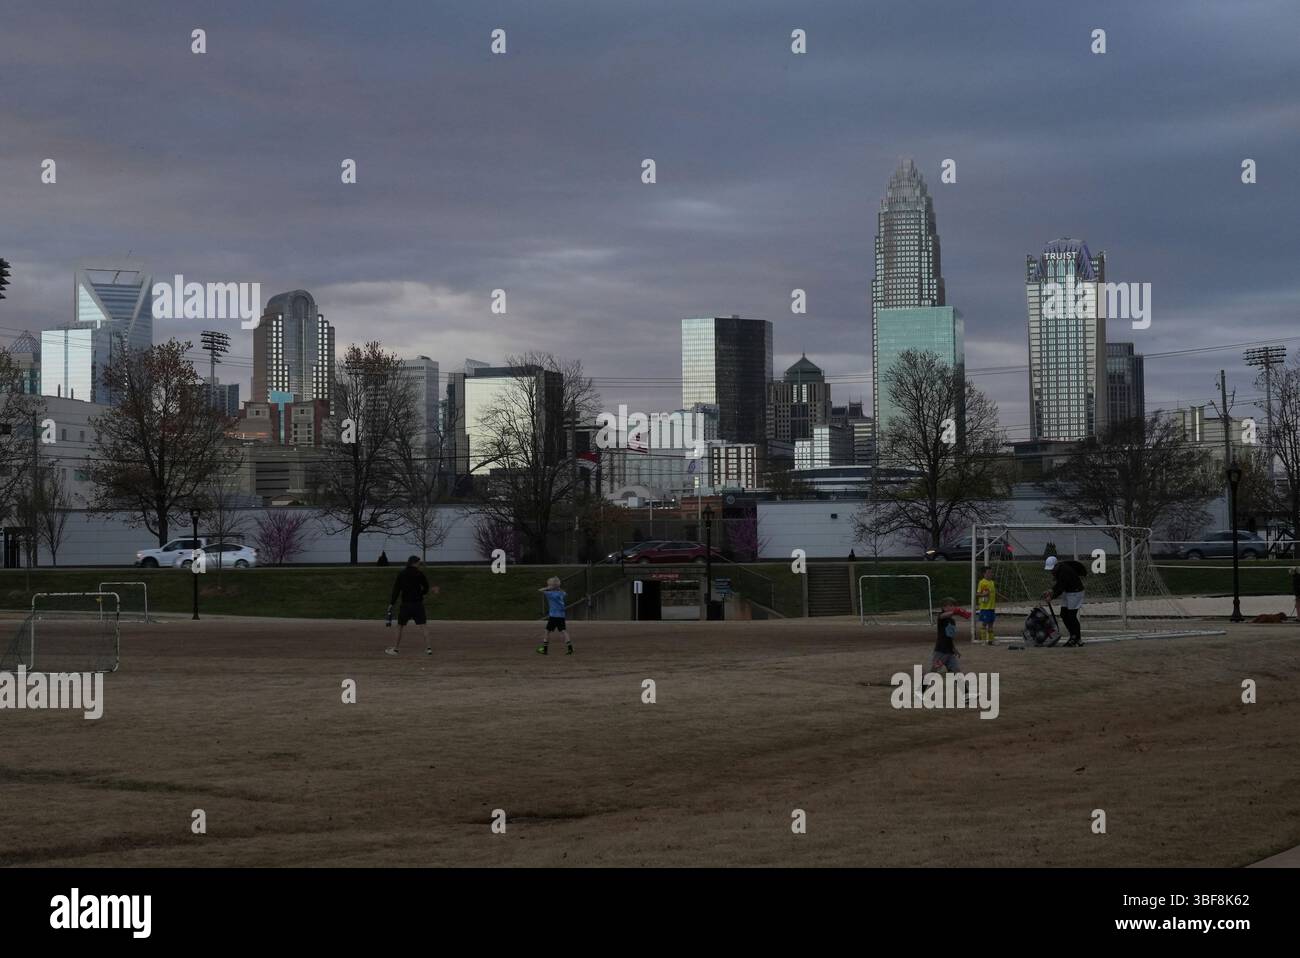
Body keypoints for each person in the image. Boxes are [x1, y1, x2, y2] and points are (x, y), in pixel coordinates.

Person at [385, 556, 439, 656]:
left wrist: (391, 603)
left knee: (400, 626)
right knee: (423, 626)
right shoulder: (419, 574)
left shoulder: (402, 574)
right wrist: (420, 593)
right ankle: (429, 648)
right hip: (418, 604)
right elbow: (426, 588)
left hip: (406, 604)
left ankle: (395, 649)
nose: (419, 564)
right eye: (418, 563)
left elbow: (396, 590)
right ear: (413, 563)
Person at [1043, 555, 1085, 647]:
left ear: (1056, 565)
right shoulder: (1059, 570)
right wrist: (1051, 590)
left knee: (1071, 615)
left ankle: (1076, 638)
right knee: (1064, 614)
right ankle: (1074, 636)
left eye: (1052, 568)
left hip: (1075, 592)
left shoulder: (1064, 571)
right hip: (1068, 591)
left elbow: (1061, 586)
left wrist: (1051, 596)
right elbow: (1060, 584)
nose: (1051, 571)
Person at [931, 597, 972, 675]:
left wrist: (954, 648)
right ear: (944, 607)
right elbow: (943, 615)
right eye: (951, 606)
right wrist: (956, 611)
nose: (954, 607)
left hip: (950, 652)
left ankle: (964, 688)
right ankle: (922, 687)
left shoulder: (952, 621)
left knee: (957, 672)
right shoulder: (941, 617)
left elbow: (950, 637)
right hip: (941, 651)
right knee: (932, 672)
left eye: (954, 606)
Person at [537, 576, 573, 656]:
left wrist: (548, 587)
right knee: (564, 631)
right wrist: (557, 587)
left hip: (553, 616)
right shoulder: (561, 593)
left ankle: (545, 649)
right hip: (561, 616)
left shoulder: (550, 594)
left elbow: (540, 590)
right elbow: (565, 593)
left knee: (547, 631)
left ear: (551, 585)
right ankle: (570, 648)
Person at [975, 565, 997, 645]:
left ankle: (990, 641)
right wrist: (984, 594)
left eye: (991, 572)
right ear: (984, 574)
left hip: (992, 607)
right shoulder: (982, 582)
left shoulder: (992, 582)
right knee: (984, 623)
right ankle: (983, 640)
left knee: (991, 624)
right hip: (985, 607)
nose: (990, 574)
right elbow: (977, 594)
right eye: (988, 573)